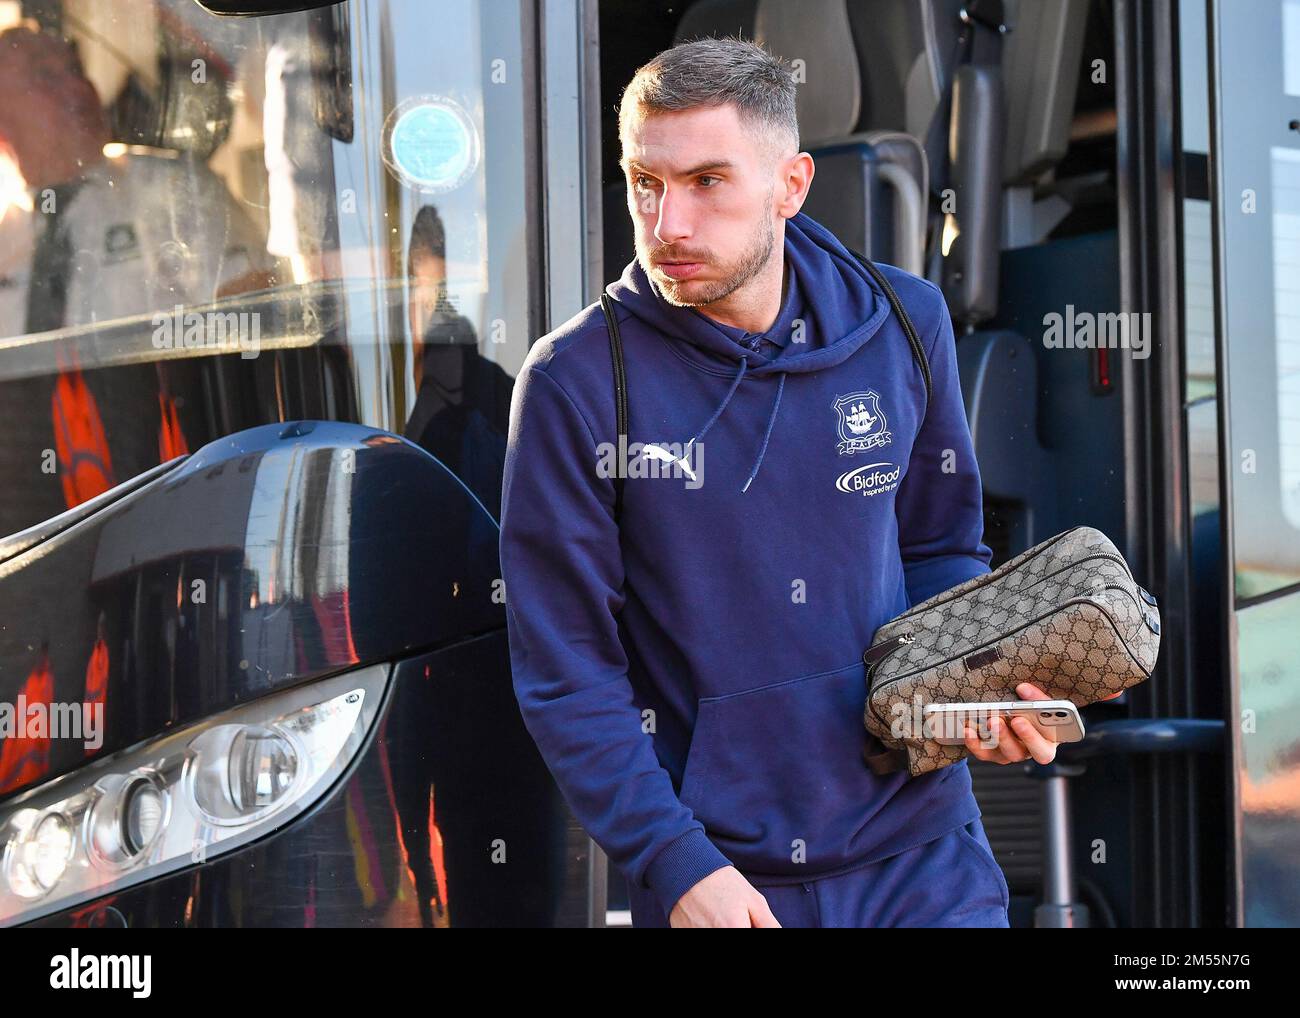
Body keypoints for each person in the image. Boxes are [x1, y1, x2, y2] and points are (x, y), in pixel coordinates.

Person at [499, 36, 1056, 929]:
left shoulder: (907, 324)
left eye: (707, 181)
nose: (668, 223)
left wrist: (970, 688)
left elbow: (940, 550)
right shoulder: (574, 381)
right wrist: (675, 866)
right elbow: (569, 672)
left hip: (926, 863)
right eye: (647, 182)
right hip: (729, 884)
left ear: (790, 186)